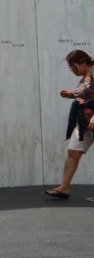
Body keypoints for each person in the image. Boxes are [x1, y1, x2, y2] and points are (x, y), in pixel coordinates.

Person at [47, 50, 94, 200]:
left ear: (82, 63)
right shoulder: (85, 77)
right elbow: (88, 96)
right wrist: (72, 95)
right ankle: (64, 188)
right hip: (83, 122)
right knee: (73, 151)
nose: (72, 70)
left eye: (73, 67)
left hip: (92, 119)